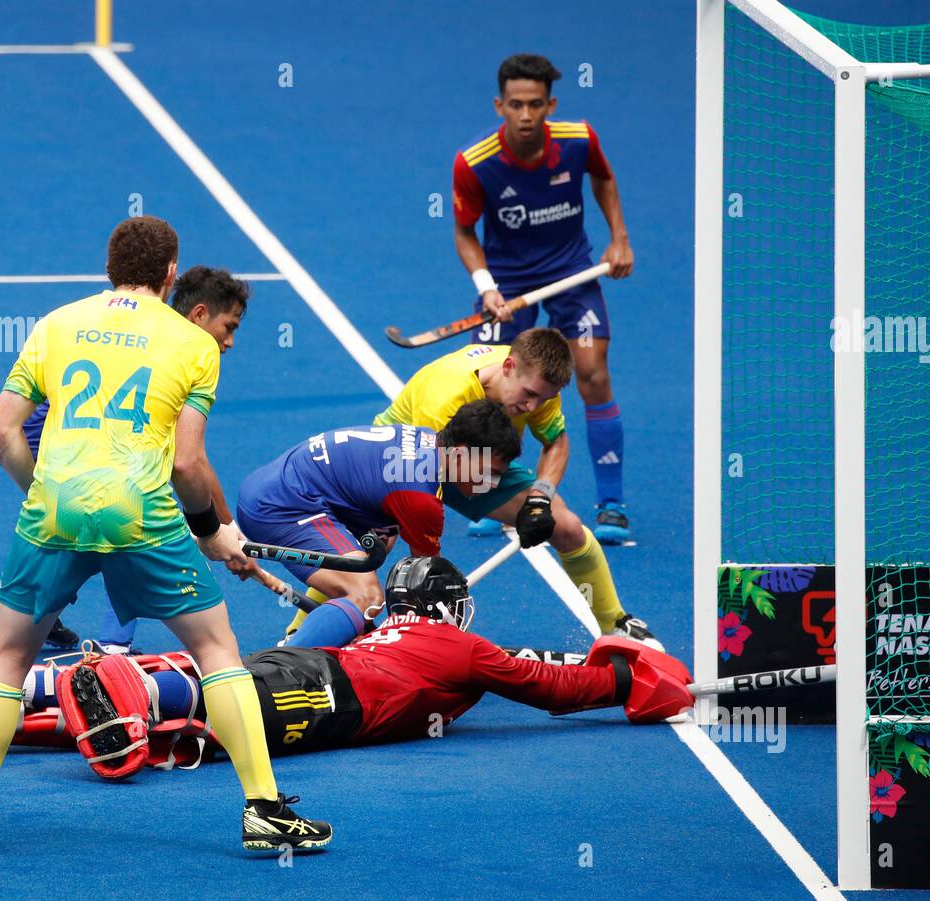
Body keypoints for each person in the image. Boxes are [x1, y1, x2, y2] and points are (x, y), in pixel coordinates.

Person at [0, 216, 330, 856]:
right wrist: (211, 532)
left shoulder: (55, 324)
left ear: (108, 268)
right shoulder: (194, 345)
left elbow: (0, 431)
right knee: (216, 649)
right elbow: (185, 463)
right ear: (171, 273)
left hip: (53, 513)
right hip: (141, 518)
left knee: (9, 657)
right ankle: (263, 810)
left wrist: (43, 490)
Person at [0, 557, 693, 776]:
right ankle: (131, 685)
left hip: (306, 659)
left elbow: (523, 662)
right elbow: (552, 688)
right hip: (331, 698)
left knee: (196, 726)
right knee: (201, 717)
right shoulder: (461, 648)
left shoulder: (385, 631)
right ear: (452, 610)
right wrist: (628, 677)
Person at [4, 266, 251, 655]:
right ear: (200, 315)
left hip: (69, 442)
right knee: (123, 520)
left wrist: (224, 528)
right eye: (229, 326)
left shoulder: (155, 334)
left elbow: (190, 462)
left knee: (107, 522)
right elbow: (189, 462)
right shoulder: (182, 351)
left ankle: (49, 618)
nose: (231, 341)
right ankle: (108, 643)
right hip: (55, 440)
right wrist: (217, 530)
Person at [452, 53, 635, 544]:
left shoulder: (579, 141)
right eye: (516, 105)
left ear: (550, 103)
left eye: (536, 105)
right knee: (500, 389)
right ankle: (493, 495)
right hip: (507, 282)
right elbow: (465, 232)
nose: (527, 115)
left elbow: (604, 178)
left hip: (573, 271)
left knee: (594, 375)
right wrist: (486, 286)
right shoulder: (476, 163)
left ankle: (612, 504)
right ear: (500, 105)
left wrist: (618, 238)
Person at [375, 327, 657, 643]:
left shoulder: (538, 385)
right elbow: (428, 481)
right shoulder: (446, 394)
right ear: (508, 367)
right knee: (375, 543)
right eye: (529, 395)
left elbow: (556, 443)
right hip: (407, 455)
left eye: (543, 399)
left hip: (484, 459)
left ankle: (615, 623)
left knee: (566, 526)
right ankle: (312, 630)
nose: (533, 407)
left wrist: (539, 499)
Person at [239, 399, 521, 648]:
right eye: (489, 472)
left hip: (279, 487)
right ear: (460, 453)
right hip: (283, 506)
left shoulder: (427, 440)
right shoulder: (419, 497)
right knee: (366, 596)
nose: (491, 484)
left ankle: (326, 628)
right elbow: (424, 584)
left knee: (380, 544)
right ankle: (281, 666)